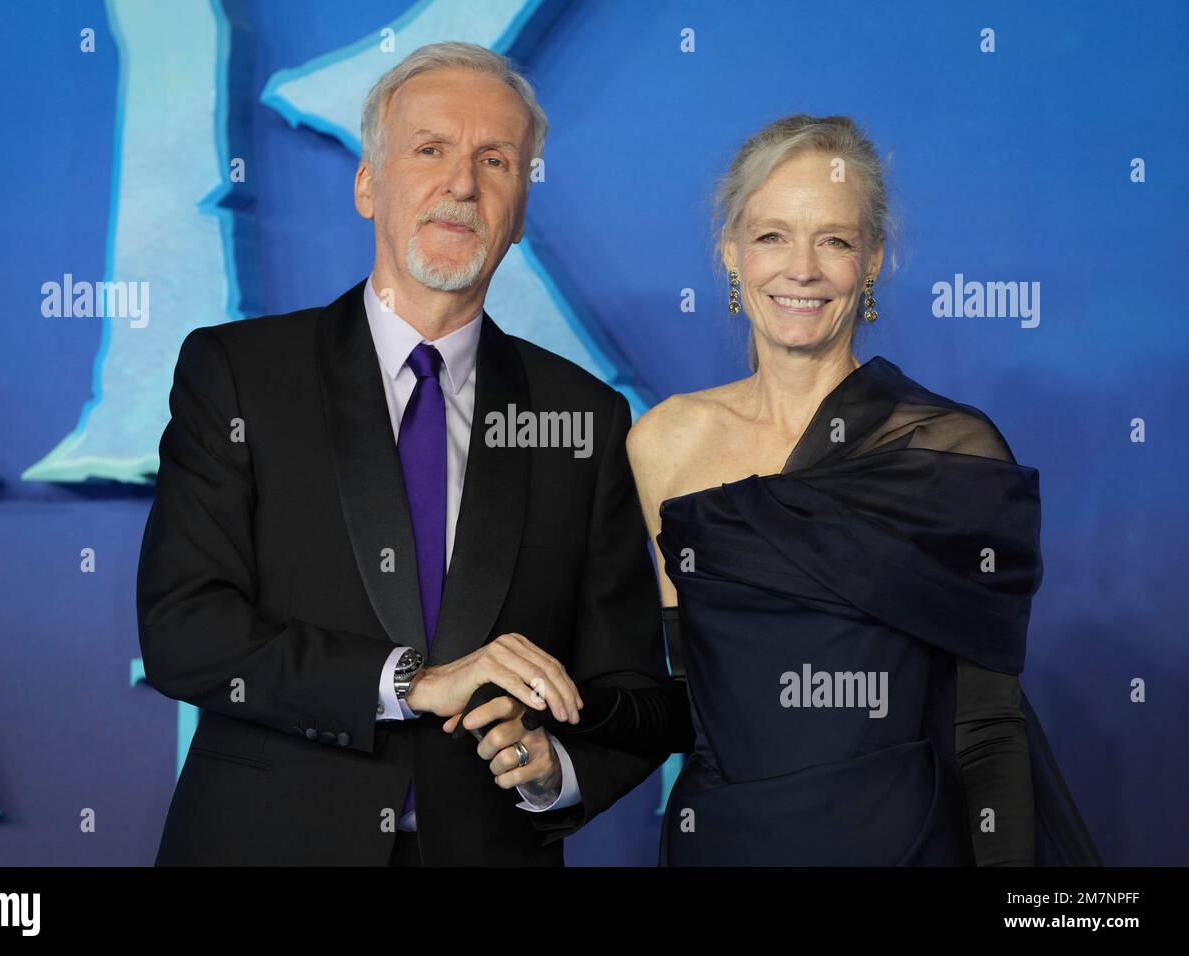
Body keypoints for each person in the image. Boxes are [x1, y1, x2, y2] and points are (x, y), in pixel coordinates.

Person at [499, 114, 1102, 866]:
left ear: (873, 259)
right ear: (731, 251)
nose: (803, 269)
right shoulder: (664, 444)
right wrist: (563, 750)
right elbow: (685, 702)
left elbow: (986, 727)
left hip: (906, 848)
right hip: (723, 843)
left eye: (836, 240)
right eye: (773, 236)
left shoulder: (949, 452)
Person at [136, 42, 670, 866]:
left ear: (522, 208)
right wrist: (409, 682)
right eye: (431, 150)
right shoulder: (238, 375)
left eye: (495, 159)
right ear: (366, 184)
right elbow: (185, 630)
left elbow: (629, 691)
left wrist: (554, 768)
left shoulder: (583, 417)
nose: (462, 184)